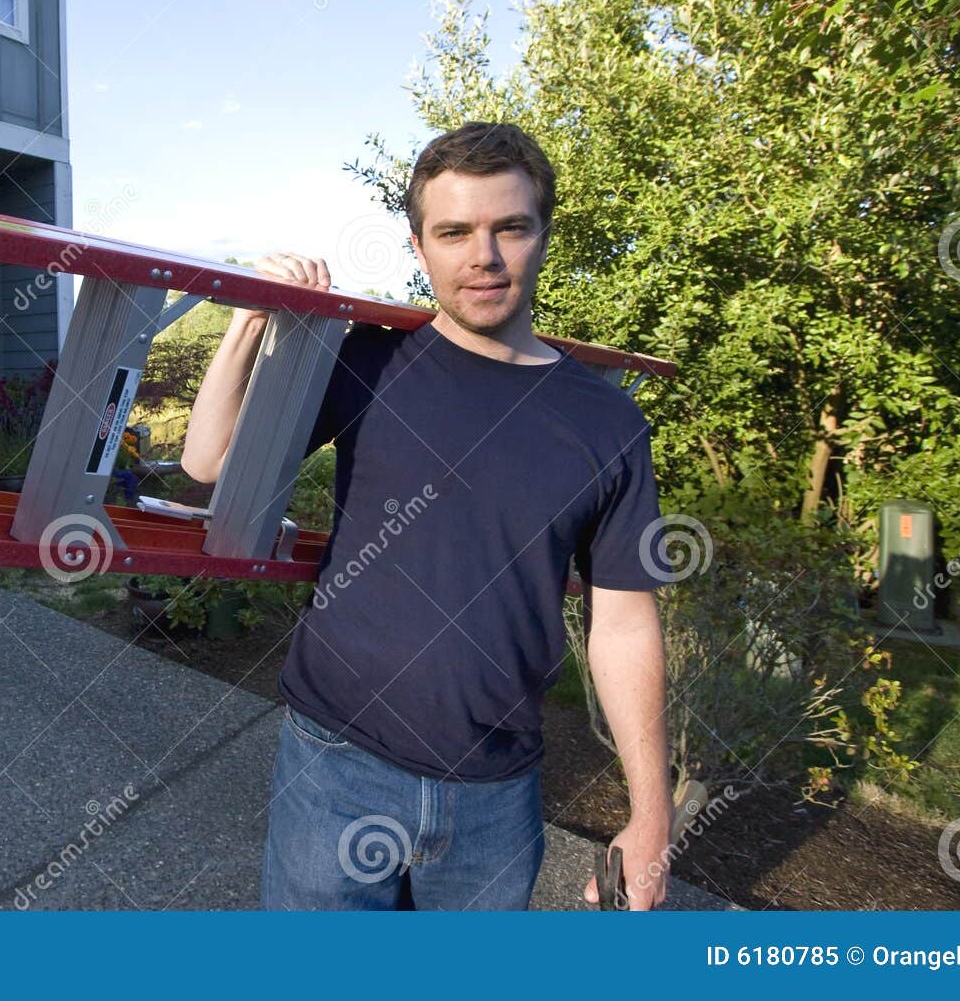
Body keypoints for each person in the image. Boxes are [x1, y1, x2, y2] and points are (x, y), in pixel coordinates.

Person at [181, 122, 674, 911]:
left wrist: (652, 816)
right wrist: (251, 318)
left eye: (509, 226)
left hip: (496, 798)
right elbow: (210, 463)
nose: (483, 255)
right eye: (454, 232)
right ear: (420, 246)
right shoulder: (369, 359)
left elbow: (624, 621)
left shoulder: (607, 422)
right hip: (335, 763)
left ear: (544, 233)